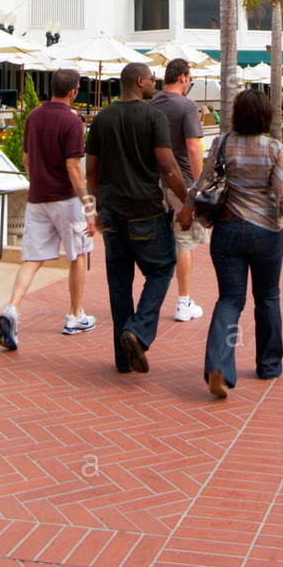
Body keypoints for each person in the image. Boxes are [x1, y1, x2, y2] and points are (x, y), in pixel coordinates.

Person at [179, 89, 283, 400]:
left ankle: (219, 364)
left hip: (228, 233)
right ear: (266, 116)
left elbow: (203, 181)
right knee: (268, 297)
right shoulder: (275, 149)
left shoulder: (223, 144)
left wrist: (187, 206)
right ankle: (269, 364)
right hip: (266, 234)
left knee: (230, 300)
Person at [85, 62, 188, 375]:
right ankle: (139, 331)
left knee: (119, 284)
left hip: (114, 214)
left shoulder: (102, 119)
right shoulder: (152, 117)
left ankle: (122, 357)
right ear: (140, 81)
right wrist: (189, 201)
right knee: (162, 268)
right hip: (146, 211)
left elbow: (91, 169)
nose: (153, 83)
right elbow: (169, 167)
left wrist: (98, 207)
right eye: (151, 79)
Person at [0, 68, 94, 351]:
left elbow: (26, 158)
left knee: (32, 259)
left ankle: (12, 308)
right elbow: (74, 166)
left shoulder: (33, 117)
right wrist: (87, 204)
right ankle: (75, 315)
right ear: (74, 91)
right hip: (66, 199)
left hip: (38, 198)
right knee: (78, 254)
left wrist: (37, 179)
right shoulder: (73, 122)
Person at [151, 57, 206, 322]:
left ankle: (155, 297)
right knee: (184, 241)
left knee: (161, 242)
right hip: (181, 182)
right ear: (183, 77)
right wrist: (199, 186)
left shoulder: (150, 105)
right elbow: (194, 148)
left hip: (153, 183)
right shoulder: (186, 106)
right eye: (190, 78)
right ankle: (183, 301)